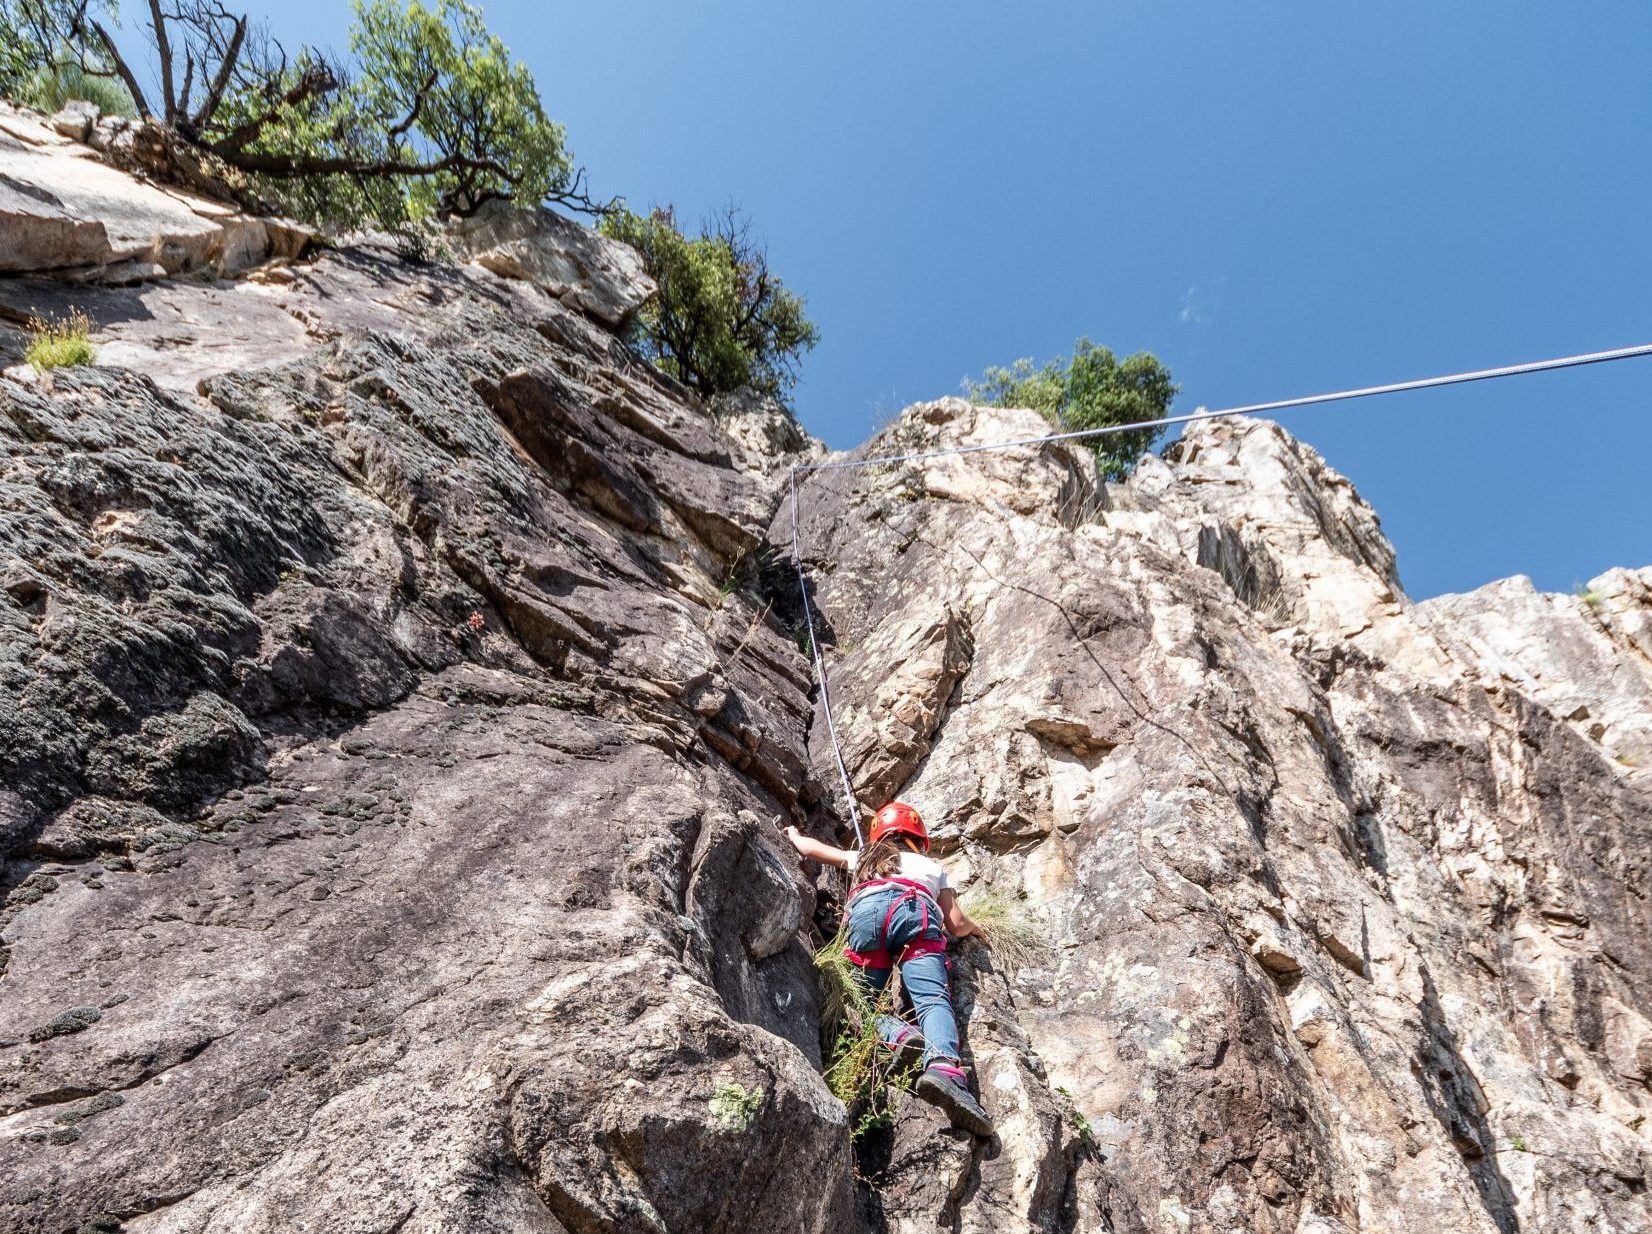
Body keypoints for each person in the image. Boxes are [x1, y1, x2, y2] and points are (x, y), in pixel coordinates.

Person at [784, 800, 994, 1137]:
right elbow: (955, 923)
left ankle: (897, 1035)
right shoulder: (931, 866)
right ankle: (943, 1068)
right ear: (916, 839)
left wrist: (794, 835)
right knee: (931, 1001)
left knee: (858, 1000)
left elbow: (813, 849)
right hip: (915, 913)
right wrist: (976, 928)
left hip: (867, 916)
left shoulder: (866, 858)